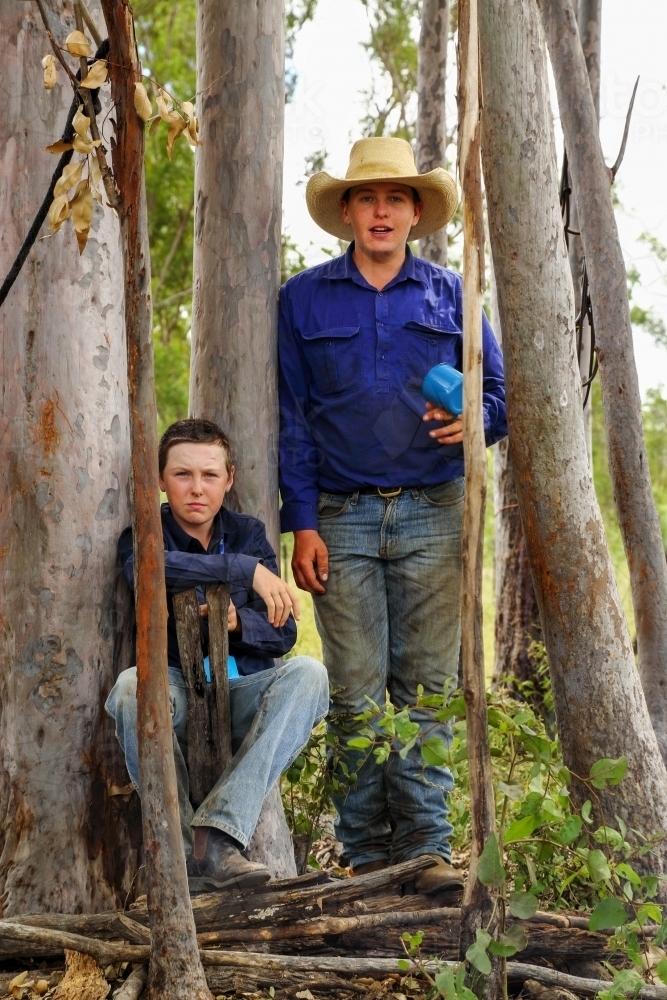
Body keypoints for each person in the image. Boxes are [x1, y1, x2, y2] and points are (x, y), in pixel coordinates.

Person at [278, 137, 507, 892]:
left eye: (395, 199)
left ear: (416, 213)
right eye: (367, 198)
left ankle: (426, 852)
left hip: (435, 514)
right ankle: (363, 858)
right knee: (353, 690)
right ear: (346, 211)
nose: (381, 211)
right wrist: (302, 521)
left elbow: (498, 399)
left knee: (427, 688)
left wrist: (474, 416)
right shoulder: (302, 298)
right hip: (338, 519)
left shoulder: (453, 295)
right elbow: (291, 417)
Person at [106, 419, 329, 892]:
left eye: (209, 475)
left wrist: (234, 623)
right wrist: (245, 573)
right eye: (182, 475)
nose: (196, 489)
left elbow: (284, 631)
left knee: (310, 674)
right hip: (177, 695)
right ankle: (183, 856)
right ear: (161, 480)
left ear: (229, 478)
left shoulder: (249, 533)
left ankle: (218, 833)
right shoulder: (144, 535)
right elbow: (151, 567)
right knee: (129, 688)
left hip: (241, 692)